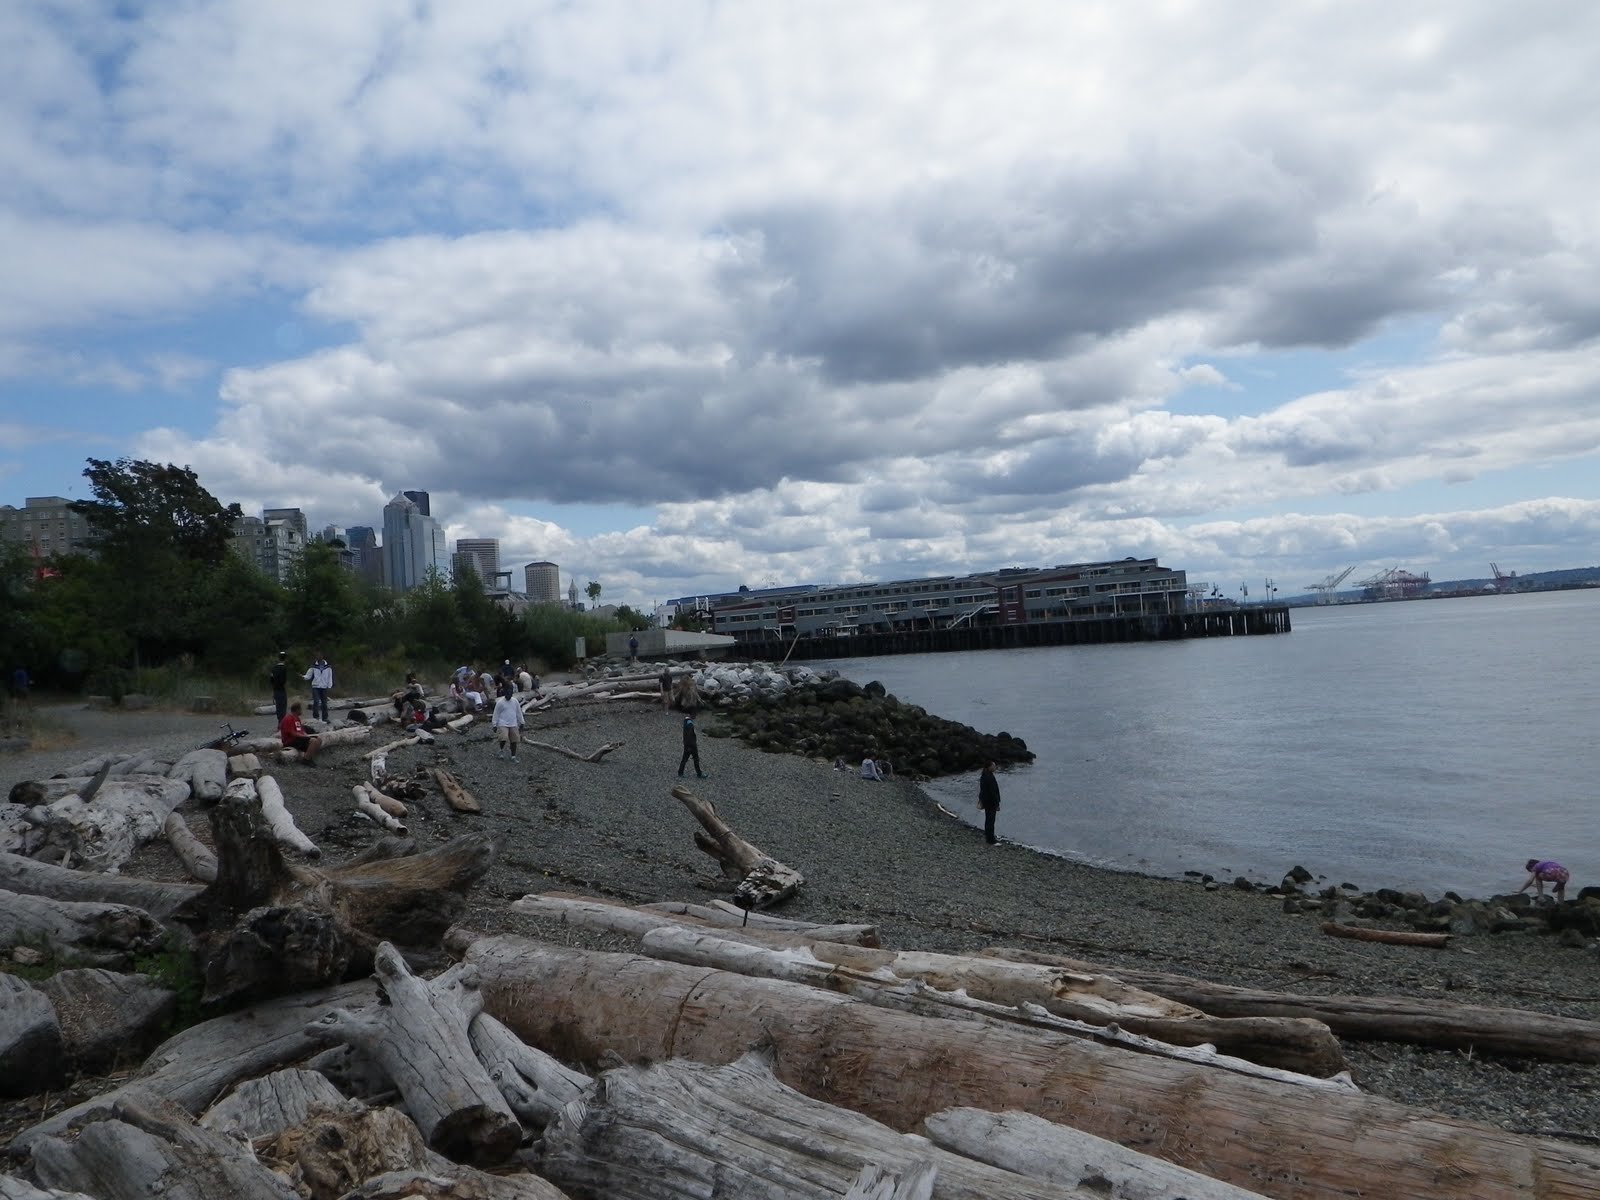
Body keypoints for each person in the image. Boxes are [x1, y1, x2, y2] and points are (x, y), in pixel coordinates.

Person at [493, 686, 524, 761]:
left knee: (514, 740)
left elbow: (518, 712)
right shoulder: (500, 702)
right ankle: (501, 750)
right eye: (507, 694)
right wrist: (494, 724)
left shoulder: (515, 701)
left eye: (510, 694)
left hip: (513, 723)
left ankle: (513, 756)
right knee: (503, 737)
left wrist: (522, 722)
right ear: (505, 693)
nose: (508, 695)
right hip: (502, 723)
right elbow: (496, 714)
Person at [304, 654, 332, 723]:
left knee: (324, 703)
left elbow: (329, 676)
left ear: (322, 657)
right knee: (316, 702)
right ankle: (316, 717)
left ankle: (325, 718)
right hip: (316, 686)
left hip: (324, 686)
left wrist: (329, 685)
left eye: (320, 656)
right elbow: (309, 675)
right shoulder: (313, 666)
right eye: (317, 656)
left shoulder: (327, 667)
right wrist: (304, 677)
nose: (318, 657)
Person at [978, 761, 1001, 845]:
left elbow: (983, 790)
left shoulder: (984, 775)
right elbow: (992, 792)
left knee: (988, 820)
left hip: (986, 801)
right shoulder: (989, 777)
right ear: (989, 767)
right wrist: (997, 803)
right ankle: (991, 839)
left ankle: (989, 837)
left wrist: (981, 799)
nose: (995, 767)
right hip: (990, 802)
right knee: (990, 820)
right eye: (994, 766)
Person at [269, 653, 288, 722]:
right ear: (285, 659)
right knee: (283, 707)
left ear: (278, 658)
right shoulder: (284, 668)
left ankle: (279, 721)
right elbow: (284, 680)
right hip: (282, 690)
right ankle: (282, 723)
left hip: (275, 690)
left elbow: (271, 679)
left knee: (278, 707)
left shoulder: (274, 668)